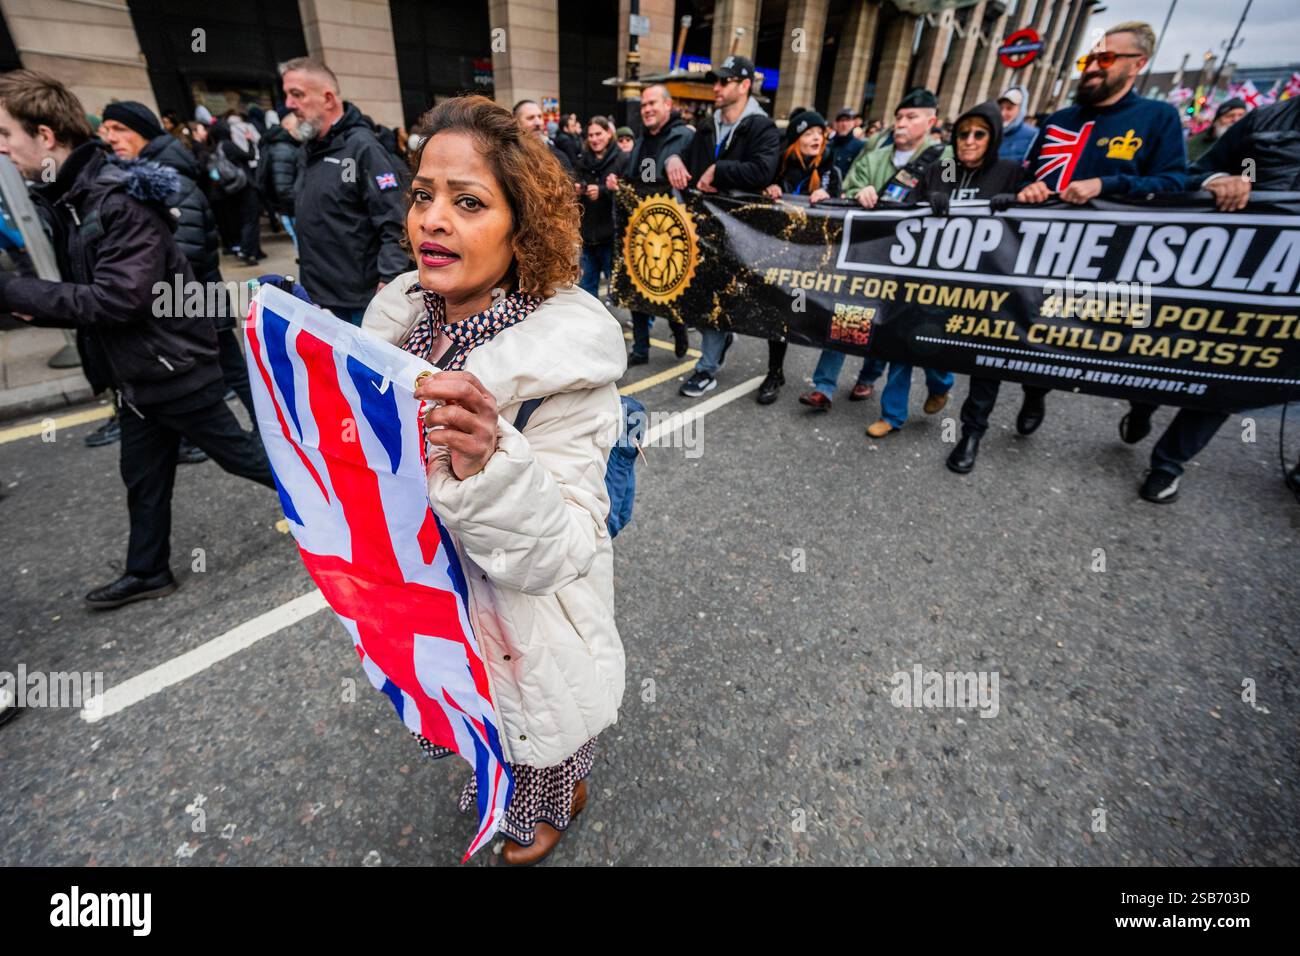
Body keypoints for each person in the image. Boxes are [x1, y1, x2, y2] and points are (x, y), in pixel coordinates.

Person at [360, 94, 625, 865]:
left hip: (525, 608)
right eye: (423, 195)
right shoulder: (401, 318)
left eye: (468, 202)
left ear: (523, 228)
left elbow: (563, 547)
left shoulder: (562, 365)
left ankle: (554, 800)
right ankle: (498, 779)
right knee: (476, 714)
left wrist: (488, 465)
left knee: (537, 719)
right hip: (436, 599)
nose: (432, 220)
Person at [0, 70, 275, 608]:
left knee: (241, 456)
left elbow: (118, 299)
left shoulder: (115, 200)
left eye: (7, 134)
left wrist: (19, 293)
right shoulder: (75, 196)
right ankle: (148, 571)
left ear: (46, 136)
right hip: (138, 374)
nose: (2, 148)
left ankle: (347, 509)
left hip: (171, 369)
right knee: (143, 477)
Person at [1114, 93, 1300, 502]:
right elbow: (1200, 170)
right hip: (1229, 267)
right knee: (1173, 351)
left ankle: (1168, 463)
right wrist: (1222, 181)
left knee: (1233, 372)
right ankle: (1143, 404)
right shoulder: (1266, 122)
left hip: (1287, 292)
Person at [1014, 20, 1187, 456]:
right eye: (1087, 59)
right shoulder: (1058, 121)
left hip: (1122, 260)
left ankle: (1141, 407)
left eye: (1104, 59)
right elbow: (1029, 176)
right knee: (1042, 333)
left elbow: (1174, 183)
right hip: (1055, 254)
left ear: (1137, 65)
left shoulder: (1157, 117)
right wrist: (1029, 188)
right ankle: (1035, 395)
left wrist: (1106, 185)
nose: (1091, 67)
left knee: (1128, 345)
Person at [99, 101, 257, 454]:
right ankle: (244, 437)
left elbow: (186, 250)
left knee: (226, 371)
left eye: (119, 129)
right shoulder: (148, 173)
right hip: (188, 299)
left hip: (194, 298)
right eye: (107, 130)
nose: (110, 138)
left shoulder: (165, 177)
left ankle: (257, 439)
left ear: (144, 131)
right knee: (225, 370)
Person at [810, 89, 952, 429]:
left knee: (898, 329)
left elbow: (951, 192)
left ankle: (874, 378)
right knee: (848, 315)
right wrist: (859, 192)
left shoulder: (944, 157)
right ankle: (824, 387)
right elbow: (851, 187)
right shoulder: (876, 153)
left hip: (916, 263)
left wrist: (934, 197)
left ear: (930, 122)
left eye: (911, 117)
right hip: (869, 256)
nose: (902, 123)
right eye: (899, 117)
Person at [912, 102, 1033, 473]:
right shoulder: (943, 168)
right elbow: (906, 208)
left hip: (990, 291)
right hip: (940, 287)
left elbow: (1039, 214)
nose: (968, 141)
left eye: (979, 134)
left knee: (985, 365)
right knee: (924, 342)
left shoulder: (1010, 172)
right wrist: (925, 200)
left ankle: (970, 433)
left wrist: (1016, 202)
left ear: (993, 137)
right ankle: (938, 388)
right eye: (963, 134)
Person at [675, 55, 781, 398]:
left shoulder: (762, 127)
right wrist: (673, 158)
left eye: (724, 81)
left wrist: (720, 170)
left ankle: (774, 373)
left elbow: (763, 171)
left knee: (759, 303)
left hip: (748, 233)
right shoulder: (707, 125)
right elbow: (684, 156)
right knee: (708, 297)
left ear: (745, 85)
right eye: (715, 81)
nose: (716, 88)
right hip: (706, 230)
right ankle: (707, 366)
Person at [280, 58, 408, 326]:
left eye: (297, 94)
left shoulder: (363, 149)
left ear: (328, 99)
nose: (289, 104)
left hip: (361, 302)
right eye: (287, 95)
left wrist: (388, 280)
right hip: (321, 296)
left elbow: (395, 222)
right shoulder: (309, 150)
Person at [756, 110, 839, 405]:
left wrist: (829, 198)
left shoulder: (831, 168)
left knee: (822, 317)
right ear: (795, 140)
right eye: (808, 133)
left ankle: (825, 385)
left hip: (816, 260)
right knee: (779, 316)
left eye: (820, 133)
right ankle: (774, 373)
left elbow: (842, 211)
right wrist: (771, 190)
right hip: (783, 256)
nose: (816, 138)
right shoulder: (780, 166)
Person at [606, 83, 693, 364]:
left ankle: (680, 331)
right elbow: (634, 180)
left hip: (672, 230)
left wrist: (674, 159)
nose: (647, 109)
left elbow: (694, 175)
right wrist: (617, 184)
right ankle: (641, 349)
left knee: (670, 290)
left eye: (652, 103)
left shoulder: (685, 136)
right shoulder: (642, 139)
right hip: (642, 228)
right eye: (643, 105)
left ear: (668, 105)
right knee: (636, 287)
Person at [575, 115, 629, 301]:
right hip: (588, 237)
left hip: (612, 238)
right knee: (587, 293)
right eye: (590, 135)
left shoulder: (623, 159)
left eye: (598, 134)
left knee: (619, 290)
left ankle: (638, 326)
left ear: (609, 134)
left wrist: (605, 190)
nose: (594, 139)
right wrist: (579, 188)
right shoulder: (582, 160)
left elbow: (634, 191)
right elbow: (575, 181)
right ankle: (594, 329)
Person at [210, 118, 264, 266]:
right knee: (250, 219)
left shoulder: (218, 148)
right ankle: (246, 251)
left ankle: (255, 250)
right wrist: (250, 142)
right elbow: (250, 156)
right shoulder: (228, 145)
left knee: (245, 219)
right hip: (245, 185)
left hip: (233, 188)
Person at [256, 108, 302, 249]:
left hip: (292, 209)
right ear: (287, 124)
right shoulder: (283, 149)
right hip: (292, 210)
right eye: (298, 122)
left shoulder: (288, 145)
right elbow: (283, 188)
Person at [512, 99, 574, 173]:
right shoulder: (509, 157)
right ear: (516, 122)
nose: (538, 122)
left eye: (540, 117)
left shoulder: (557, 155)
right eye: (530, 118)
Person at [1186, 97, 1246, 163]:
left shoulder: (1248, 146)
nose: (1236, 120)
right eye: (1230, 116)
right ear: (1216, 121)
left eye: (1241, 116)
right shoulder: (1198, 141)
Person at [997, 85, 1036, 164]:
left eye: (1009, 108)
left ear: (1021, 109)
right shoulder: (992, 131)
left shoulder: (1034, 135)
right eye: (1001, 108)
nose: (1002, 113)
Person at [828, 107, 865, 176]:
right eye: (841, 120)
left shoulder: (860, 146)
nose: (844, 124)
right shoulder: (828, 145)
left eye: (848, 120)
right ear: (836, 123)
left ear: (853, 123)